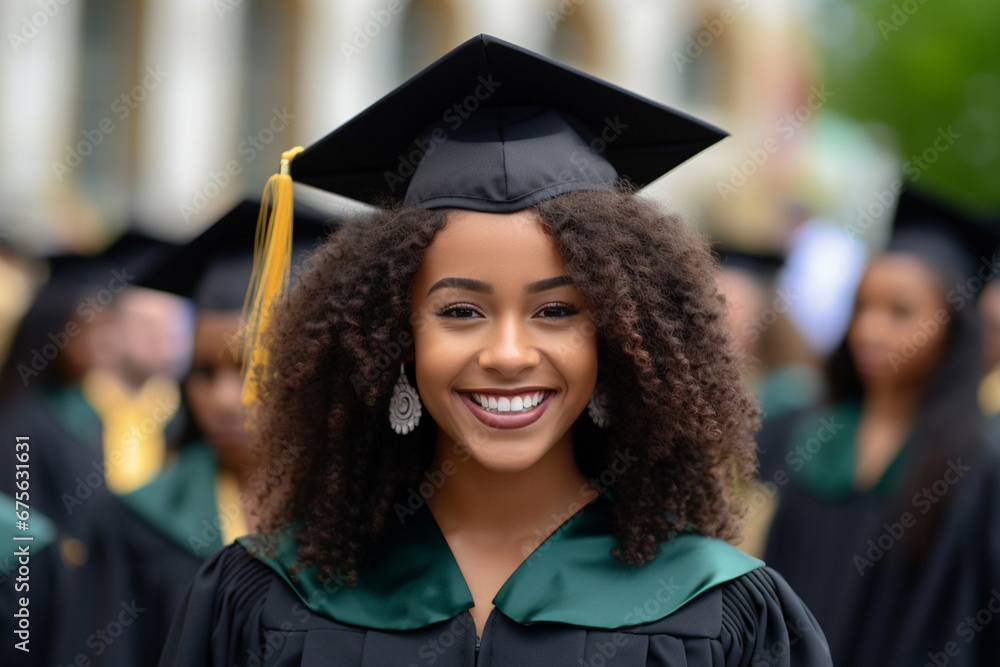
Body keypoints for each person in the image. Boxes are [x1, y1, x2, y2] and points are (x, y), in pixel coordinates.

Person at [161, 34, 832, 666]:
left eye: (556, 310)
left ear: (615, 340)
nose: (509, 352)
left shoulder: (715, 608)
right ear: (396, 337)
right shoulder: (267, 594)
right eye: (460, 311)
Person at [763, 188, 1000, 666]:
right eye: (862, 308)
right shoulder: (802, 432)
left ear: (952, 326)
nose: (870, 330)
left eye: (901, 312)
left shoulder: (977, 465)